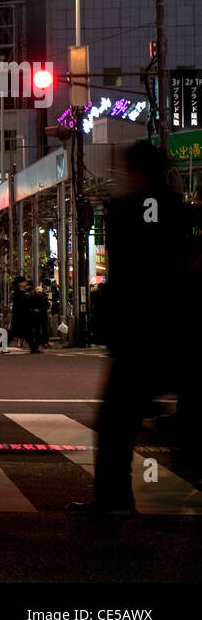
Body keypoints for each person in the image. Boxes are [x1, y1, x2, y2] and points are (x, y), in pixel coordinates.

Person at [70, 142, 189, 515]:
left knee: (114, 422)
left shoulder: (140, 209)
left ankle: (114, 498)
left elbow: (131, 271)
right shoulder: (172, 208)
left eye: (127, 169)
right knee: (127, 420)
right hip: (167, 333)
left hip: (141, 336)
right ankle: (116, 496)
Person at [9, 277, 31, 350]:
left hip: (20, 316)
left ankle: (34, 348)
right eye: (24, 281)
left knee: (26, 332)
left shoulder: (20, 292)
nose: (26, 283)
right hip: (20, 316)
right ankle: (1, 345)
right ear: (20, 283)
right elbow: (21, 305)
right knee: (15, 333)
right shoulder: (18, 293)